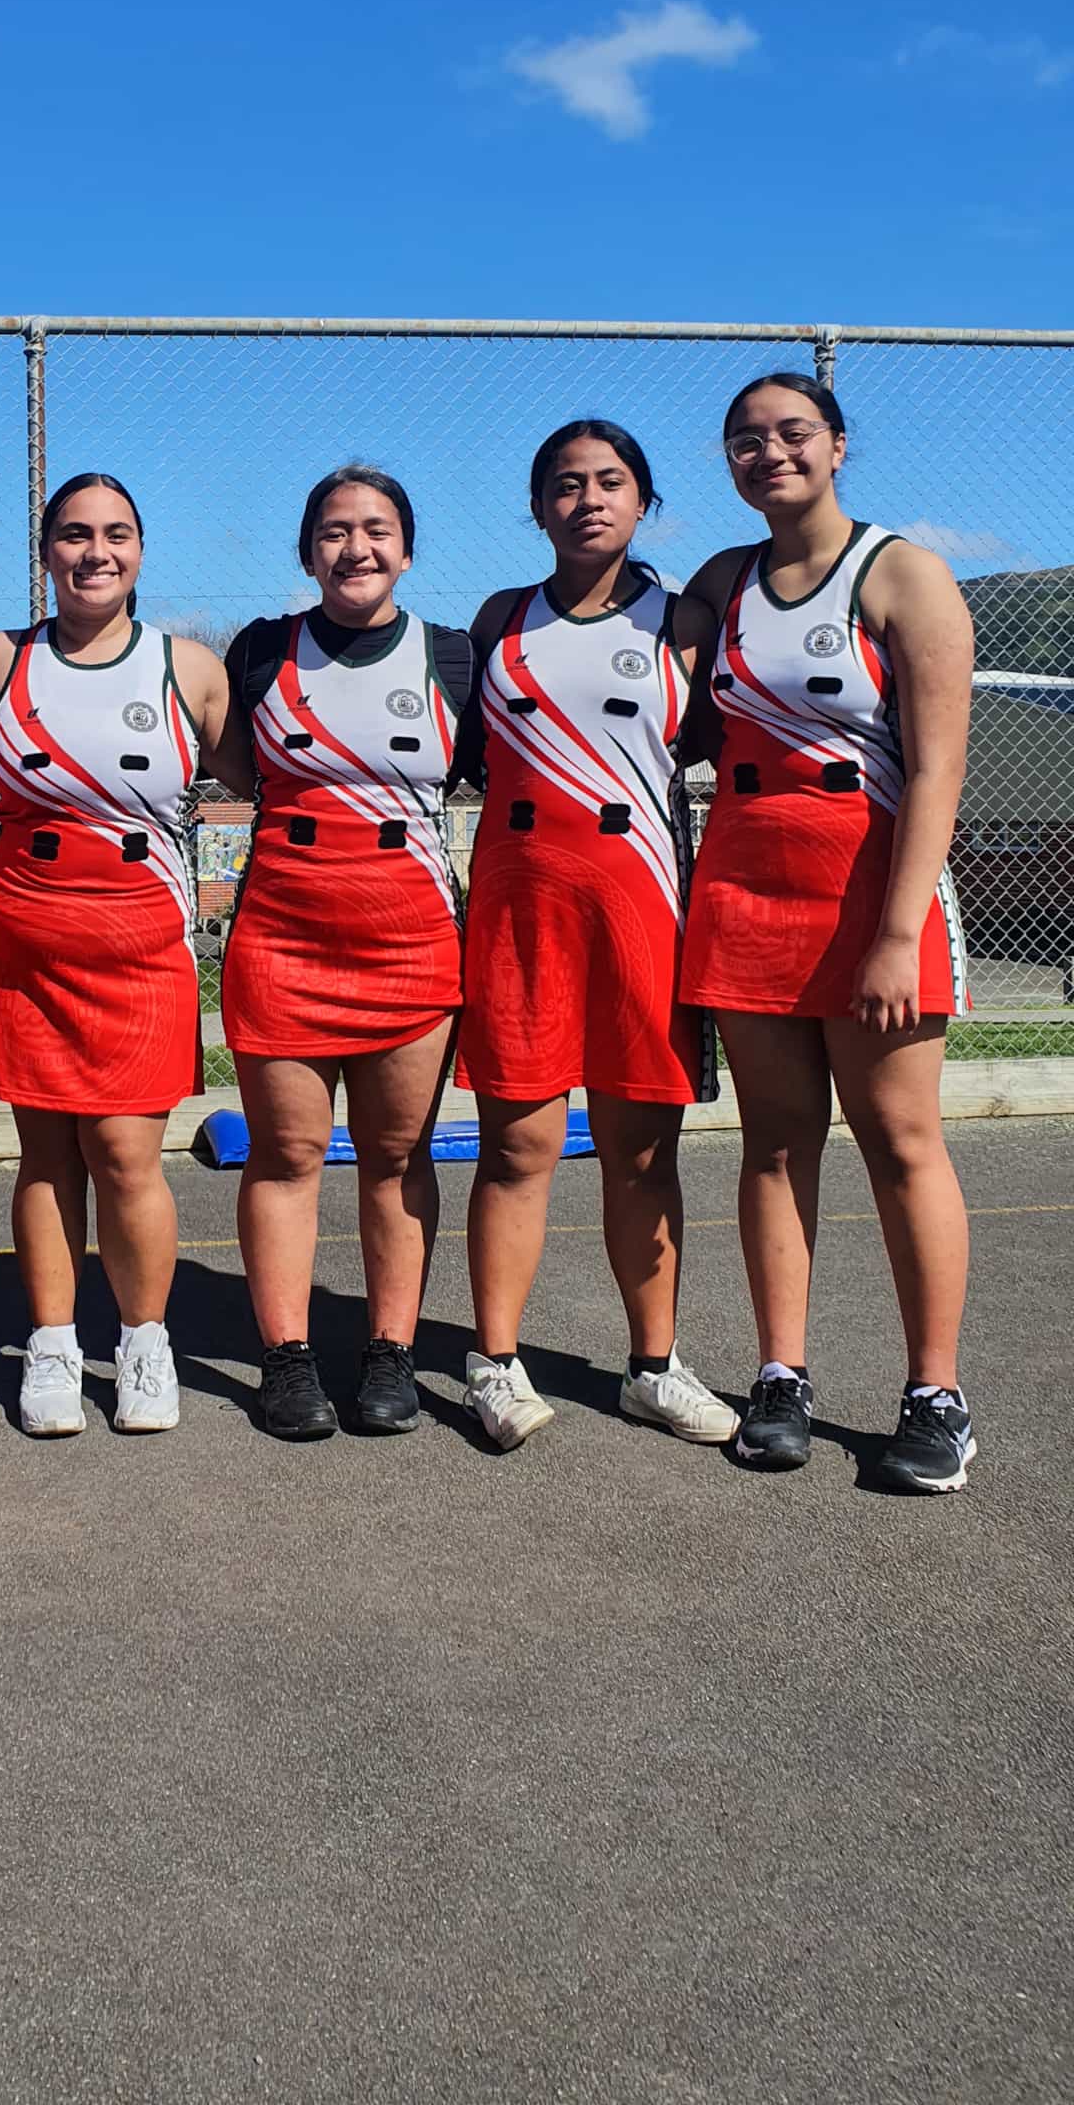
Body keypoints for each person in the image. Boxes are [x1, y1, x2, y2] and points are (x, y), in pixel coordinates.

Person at [680, 372, 976, 1492]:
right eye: (745, 440)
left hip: (869, 886)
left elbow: (942, 768)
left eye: (792, 433)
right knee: (774, 1142)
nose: (770, 454)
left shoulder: (902, 572)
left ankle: (935, 1395)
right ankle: (781, 1376)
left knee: (902, 1144)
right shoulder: (721, 581)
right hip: (746, 882)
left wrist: (897, 932)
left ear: (838, 445)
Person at [455, 422, 738, 1453]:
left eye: (610, 481)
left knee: (640, 1149)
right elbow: (475, 758)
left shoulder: (687, 621)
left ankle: (654, 1368)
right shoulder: (498, 620)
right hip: (521, 909)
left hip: (641, 908)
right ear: (537, 508)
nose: (587, 498)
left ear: (644, 501)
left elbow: (710, 744)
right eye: (564, 484)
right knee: (518, 1144)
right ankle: (494, 1359)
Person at [0, 473, 231, 1437]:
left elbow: (244, 780)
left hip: (143, 938)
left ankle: (145, 1340)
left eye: (116, 534)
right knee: (46, 1153)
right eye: (74, 534)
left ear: (142, 551)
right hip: (28, 934)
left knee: (125, 1152)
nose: (95, 552)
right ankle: (53, 1341)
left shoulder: (188, 668)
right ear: (46, 551)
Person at [218, 465, 471, 1439]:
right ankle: (285, 1360)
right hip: (283, 933)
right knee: (284, 1152)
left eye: (376, 530)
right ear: (307, 549)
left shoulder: (454, 659)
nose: (355, 547)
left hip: (411, 940)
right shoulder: (260, 652)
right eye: (333, 530)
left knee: (395, 1154)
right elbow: (242, 770)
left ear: (405, 549)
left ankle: (389, 1354)